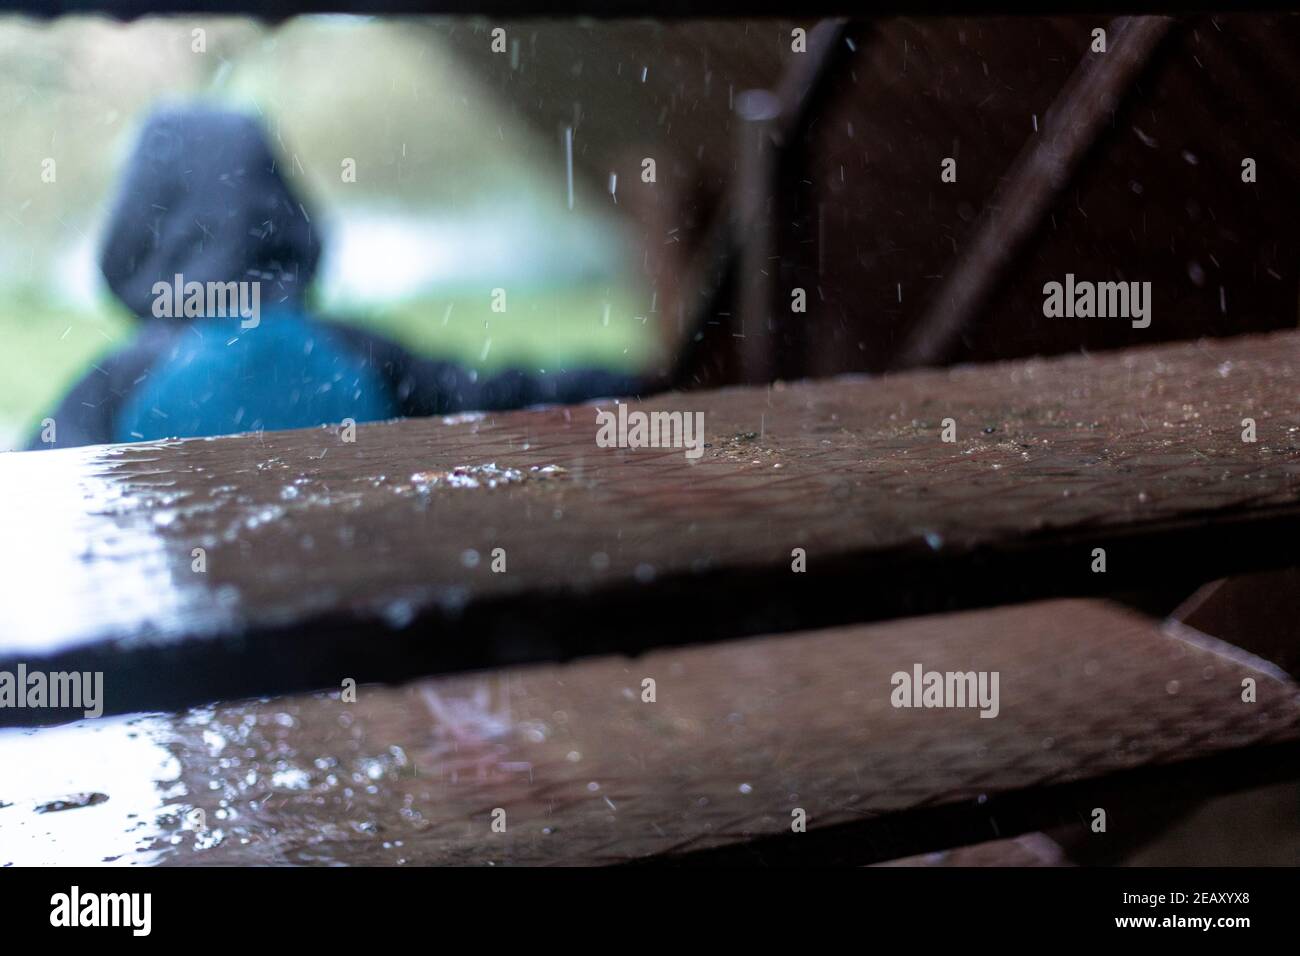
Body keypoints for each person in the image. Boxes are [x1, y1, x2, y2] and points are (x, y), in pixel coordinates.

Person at [30, 106, 642, 449]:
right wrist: (654, 381)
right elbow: (501, 395)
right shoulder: (361, 353)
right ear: (284, 212)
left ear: (138, 234)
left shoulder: (113, 388)